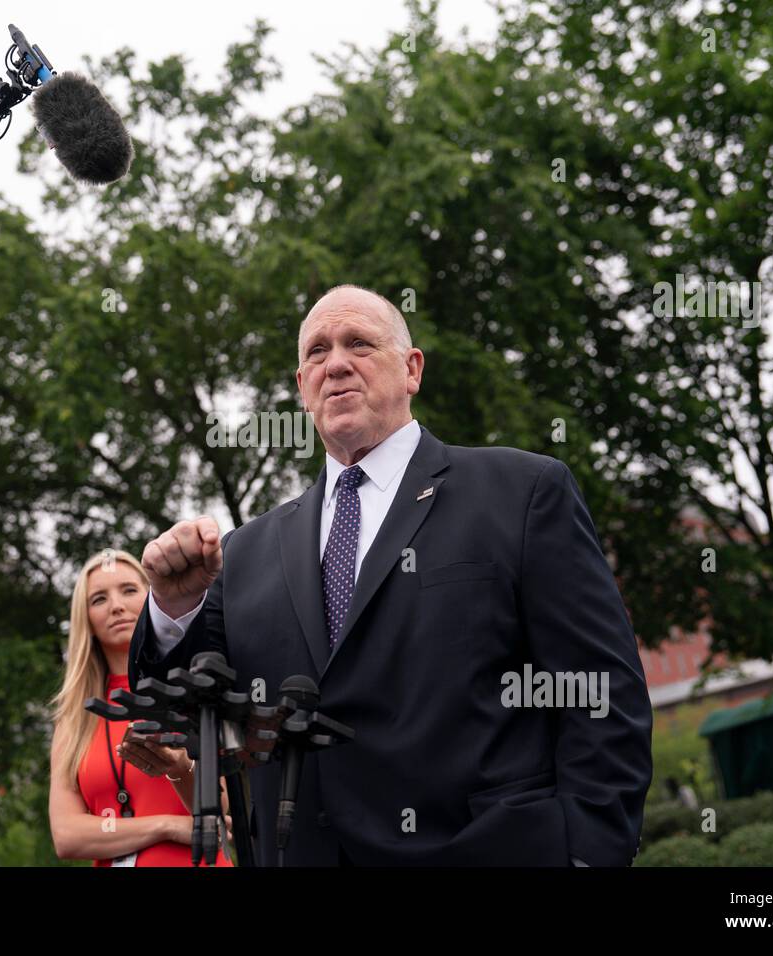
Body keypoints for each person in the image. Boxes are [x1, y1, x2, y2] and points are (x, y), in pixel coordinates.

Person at [130, 284, 653, 866]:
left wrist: (587, 853)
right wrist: (173, 608)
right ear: (302, 388)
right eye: (317, 352)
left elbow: (600, 692)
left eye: (359, 343)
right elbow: (181, 714)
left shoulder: (520, 494)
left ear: (411, 370)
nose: (336, 364)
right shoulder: (245, 552)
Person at [48, 548, 233, 866]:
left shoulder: (190, 689)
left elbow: (220, 810)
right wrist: (168, 826)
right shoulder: (74, 716)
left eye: (129, 590)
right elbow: (67, 835)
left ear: (152, 600)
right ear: (87, 621)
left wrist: (178, 769)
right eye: (99, 599)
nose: (117, 606)